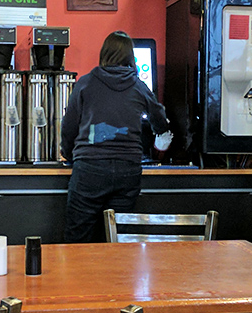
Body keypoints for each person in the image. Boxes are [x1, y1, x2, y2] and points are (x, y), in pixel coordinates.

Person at [61, 31, 171, 243]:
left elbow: (69, 127)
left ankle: (78, 277)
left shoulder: (85, 83)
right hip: (127, 170)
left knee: (78, 237)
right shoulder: (139, 86)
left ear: (104, 54)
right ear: (130, 57)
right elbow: (161, 121)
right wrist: (160, 141)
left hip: (89, 168)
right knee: (119, 238)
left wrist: (69, 155)